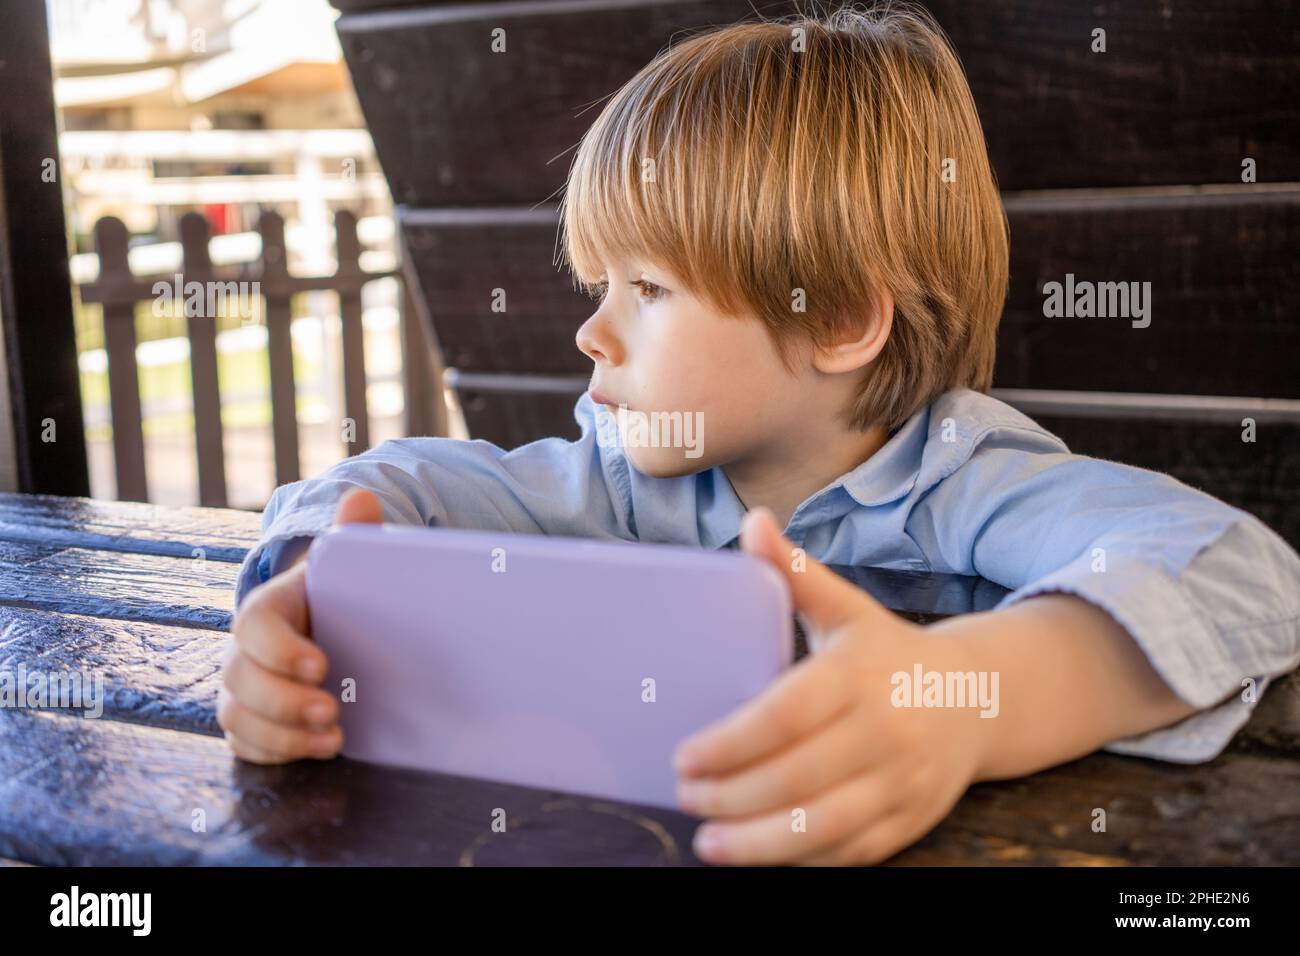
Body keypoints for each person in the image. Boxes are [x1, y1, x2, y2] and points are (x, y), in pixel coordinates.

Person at [219, 5, 1300, 865]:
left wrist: (964, 703)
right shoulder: (623, 476)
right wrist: (316, 591)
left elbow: (1242, 575)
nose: (593, 331)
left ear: (834, 317)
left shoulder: (961, 478)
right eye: (601, 283)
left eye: (647, 285)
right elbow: (393, 480)